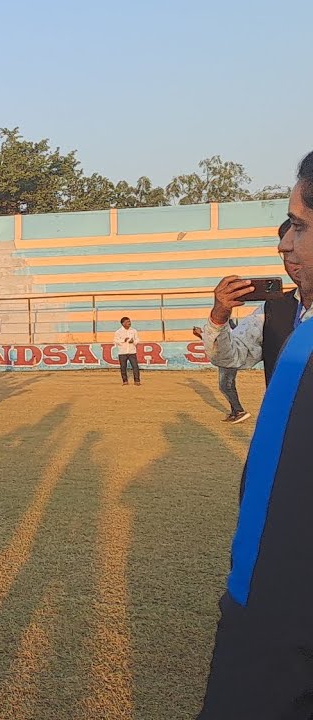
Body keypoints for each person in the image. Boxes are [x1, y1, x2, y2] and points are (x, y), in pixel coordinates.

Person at [199, 162, 313, 718]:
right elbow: (230, 358)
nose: (286, 248)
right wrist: (219, 316)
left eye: (298, 229)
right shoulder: (279, 312)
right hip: (277, 479)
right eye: (283, 234)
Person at [203, 215, 312, 383]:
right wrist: (219, 316)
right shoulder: (270, 310)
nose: (292, 260)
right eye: (286, 252)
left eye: (298, 249)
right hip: (282, 409)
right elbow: (230, 357)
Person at [192, 326, 249, 423]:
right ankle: (235, 412)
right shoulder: (228, 329)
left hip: (228, 360)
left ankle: (239, 411)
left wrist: (201, 334)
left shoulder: (224, 329)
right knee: (229, 386)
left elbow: (217, 342)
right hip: (230, 358)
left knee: (225, 387)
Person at [113, 317, 141, 385]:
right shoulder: (118, 331)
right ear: (123, 323)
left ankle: (137, 381)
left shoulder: (134, 331)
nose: (129, 323)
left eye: (129, 321)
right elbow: (115, 341)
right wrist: (123, 340)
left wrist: (133, 341)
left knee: (135, 367)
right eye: (128, 322)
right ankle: (125, 381)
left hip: (132, 352)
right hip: (122, 352)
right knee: (123, 368)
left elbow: (138, 339)